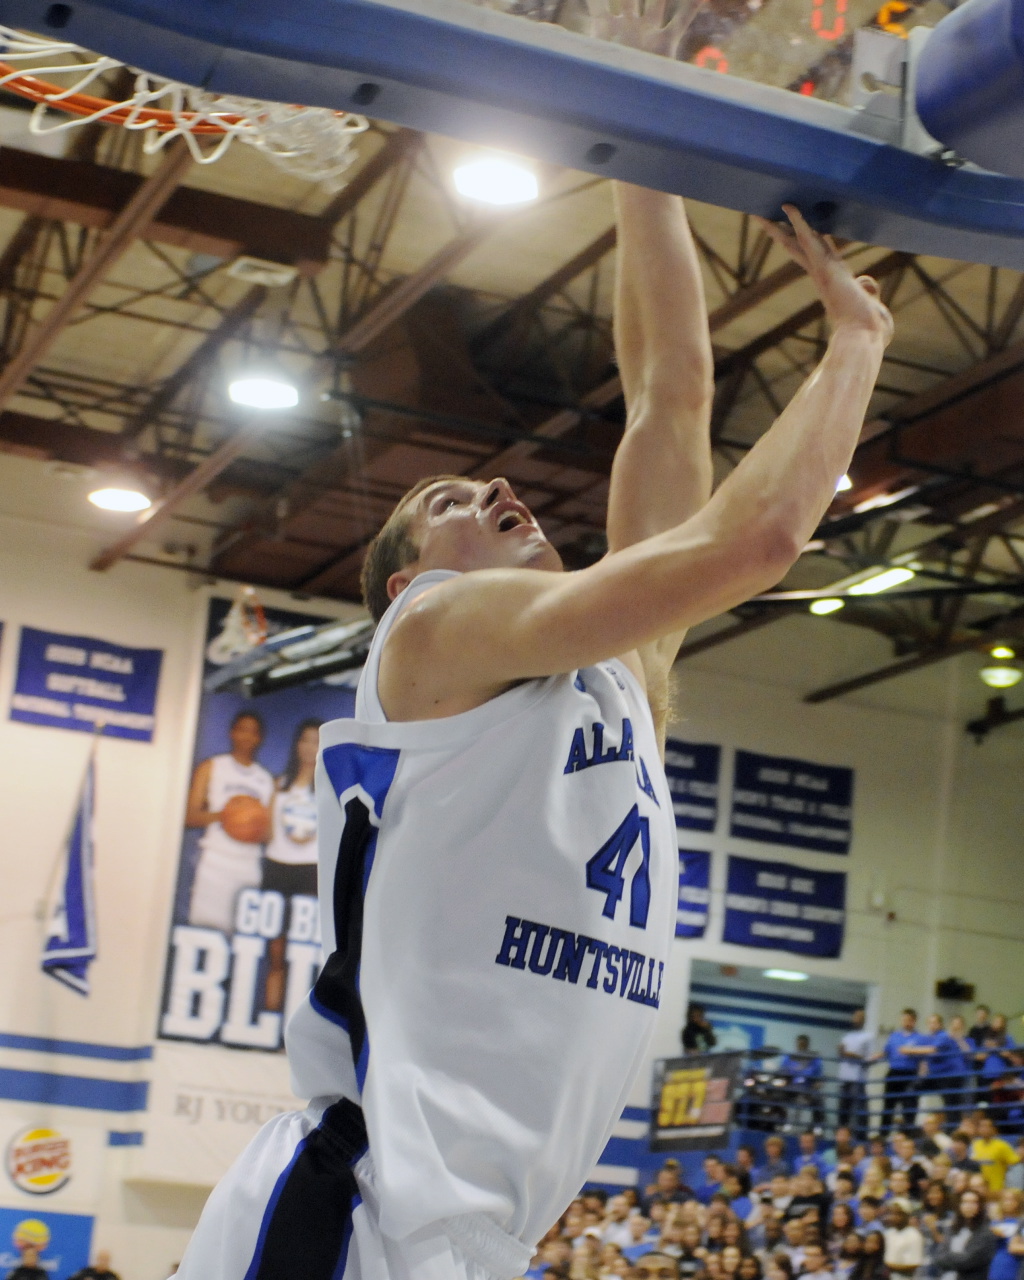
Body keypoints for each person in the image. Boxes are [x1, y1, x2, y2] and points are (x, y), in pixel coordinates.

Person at [170, 122, 894, 1280]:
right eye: (455, 497)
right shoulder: (430, 631)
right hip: (358, 1203)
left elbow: (671, 394)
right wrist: (854, 339)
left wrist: (643, 148)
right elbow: (755, 535)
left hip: (478, 1233)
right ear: (411, 578)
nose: (501, 484)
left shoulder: (624, 676)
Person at [186, 709, 274, 933]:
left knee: (241, 938)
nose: (247, 737)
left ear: (259, 739)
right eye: (242, 730)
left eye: (253, 733)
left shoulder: (265, 779)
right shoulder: (211, 767)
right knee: (203, 933)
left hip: (247, 865)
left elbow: (268, 834)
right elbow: (189, 817)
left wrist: (251, 824)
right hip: (214, 862)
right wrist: (226, 817)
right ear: (232, 733)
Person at [260, 717, 321, 1011]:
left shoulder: (331, 788)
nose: (310, 748)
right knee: (276, 950)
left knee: (303, 951)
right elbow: (266, 833)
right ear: (297, 744)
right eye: (305, 740)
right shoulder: (279, 784)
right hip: (276, 869)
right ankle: (271, 1017)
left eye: (317, 741)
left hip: (310, 871)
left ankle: (294, 1027)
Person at [926, 1189, 997, 1280]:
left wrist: (948, 1256)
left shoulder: (985, 1234)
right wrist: (953, 1257)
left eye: (973, 1202)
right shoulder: (951, 1229)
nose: (969, 1206)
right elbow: (938, 1257)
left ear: (980, 1206)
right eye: (965, 1202)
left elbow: (967, 1261)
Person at [882, 1011, 924, 1135]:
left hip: (910, 1073)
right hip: (894, 1072)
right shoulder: (894, 1036)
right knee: (888, 1105)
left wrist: (921, 1076)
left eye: (908, 1019)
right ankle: (884, 1135)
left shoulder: (919, 1038)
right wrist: (872, 1058)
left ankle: (907, 1136)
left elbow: (923, 1059)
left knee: (909, 1106)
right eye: (904, 1019)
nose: (906, 1022)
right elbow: (886, 1052)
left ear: (914, 1021)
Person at [839, 1012, 875, 1140]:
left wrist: (852, 1055)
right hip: (845, 1078)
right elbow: (842, 1054)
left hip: (858, 1079)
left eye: (859, 1018)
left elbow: (870, 1059)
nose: (856, 1020)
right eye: (854, 1017)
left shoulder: (868, 1037)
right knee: (843, 1109)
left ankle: (861, 1137)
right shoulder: (847, 1036)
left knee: (860, 1110)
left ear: (864, 1020)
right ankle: (842, 1136)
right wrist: (842, 1052)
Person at [782, 1042, 826, 1132]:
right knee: (778, 1094)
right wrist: (785, 1083)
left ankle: (817, 1126)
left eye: (803, 1045)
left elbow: (819, 1079)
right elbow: (783, 1073)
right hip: (792, 1087)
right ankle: (784, 1122)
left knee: (818, 1098)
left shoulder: (815, 1059)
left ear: (807, 1046)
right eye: (800, 1045)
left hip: (808, 1088)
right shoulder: (789, 1057)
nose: (801, 1047)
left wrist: (815, 1086)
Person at [971, 1116, 1020, 1194]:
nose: (984, 1129)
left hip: (997, 1189)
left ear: (993, 1129)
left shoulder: (1002, 1145)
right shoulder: (975, 1145)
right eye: (981, 1126)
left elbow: (1015, 1161)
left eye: (987, 1126)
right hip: (978, 1190)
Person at [883, 1205, 923, 1278]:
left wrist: (890, 1266)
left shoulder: (914, 1235)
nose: (894, 1217)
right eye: (892, 1214)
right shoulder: (889, 1233)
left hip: (905, 1276)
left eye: (898, 1214)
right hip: (887, 1275)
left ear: (906, 1216)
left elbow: (914, 1264)